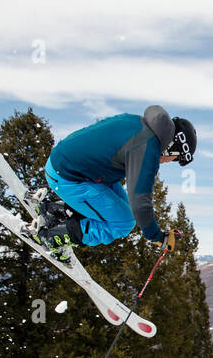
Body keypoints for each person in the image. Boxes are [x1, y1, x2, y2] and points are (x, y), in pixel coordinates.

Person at [26, 105, 196, 261]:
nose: (168, 161)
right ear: (173, 146)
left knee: (124, 207)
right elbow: (141, 203)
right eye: (175, 158)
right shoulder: (147, 148)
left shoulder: (137, 122)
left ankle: (54, 209)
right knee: (124, 222)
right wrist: (158, 237)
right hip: (67, 177)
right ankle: (53, 237)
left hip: (69, 166)